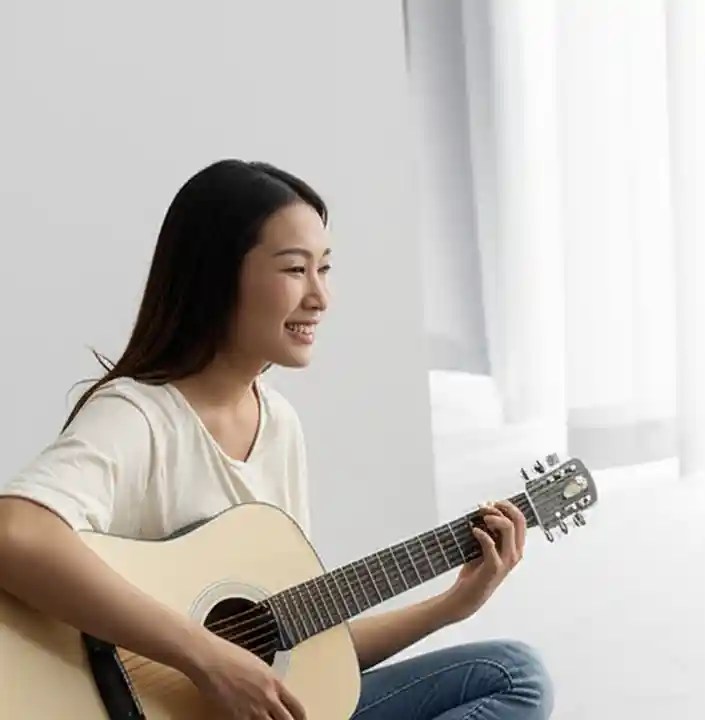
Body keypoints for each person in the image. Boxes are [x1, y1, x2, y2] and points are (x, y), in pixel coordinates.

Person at [0, 159, 553, 720]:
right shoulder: (139, 415)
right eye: (295, 269)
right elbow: (15, 531)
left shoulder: (280, 424)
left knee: (512, 674)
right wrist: (205, 657)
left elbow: (302, 659)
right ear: (218, 277)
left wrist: (450, 606)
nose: (320, 296)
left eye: (325, 268)